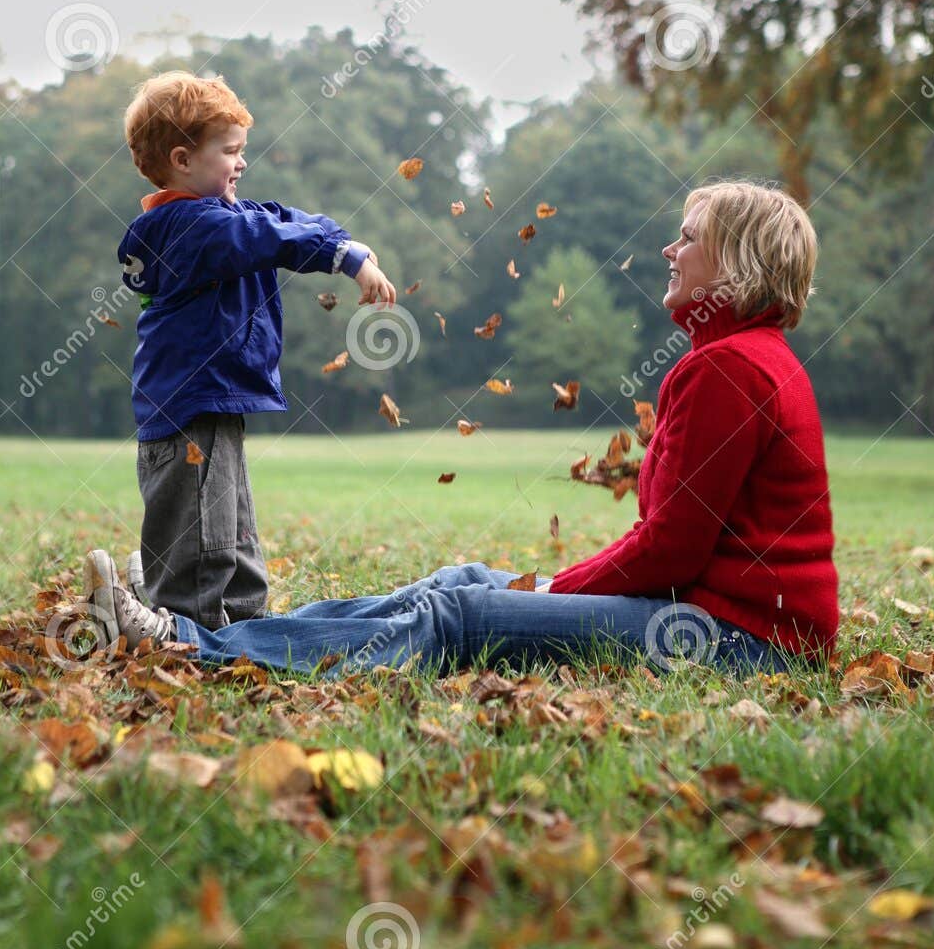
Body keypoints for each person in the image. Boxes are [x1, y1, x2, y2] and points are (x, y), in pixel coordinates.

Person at [85, 179, 837, 679]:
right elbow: (680, 538)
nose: (669, 251)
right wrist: (547, 588)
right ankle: (247, 641)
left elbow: (672, 549)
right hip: (717, 619)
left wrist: (556, 592)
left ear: (734, 261)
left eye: (688, 238)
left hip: (742, 644)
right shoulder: (736, 357)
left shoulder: (729, 369)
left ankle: (188, 646)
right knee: (461, 580)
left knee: (459, 612)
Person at [109, 70, 396, 632]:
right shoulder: (192, 229)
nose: (241, 163)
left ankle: (244, 626)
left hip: (209, 401)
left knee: (231, 528)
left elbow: (281, 218)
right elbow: (271, 237)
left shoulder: (210, 217)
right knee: (205, 538)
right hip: (195, 404)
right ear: (183, 160)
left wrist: (346, 246)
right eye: (230, 151)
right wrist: (343, 260)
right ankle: (179, 633)